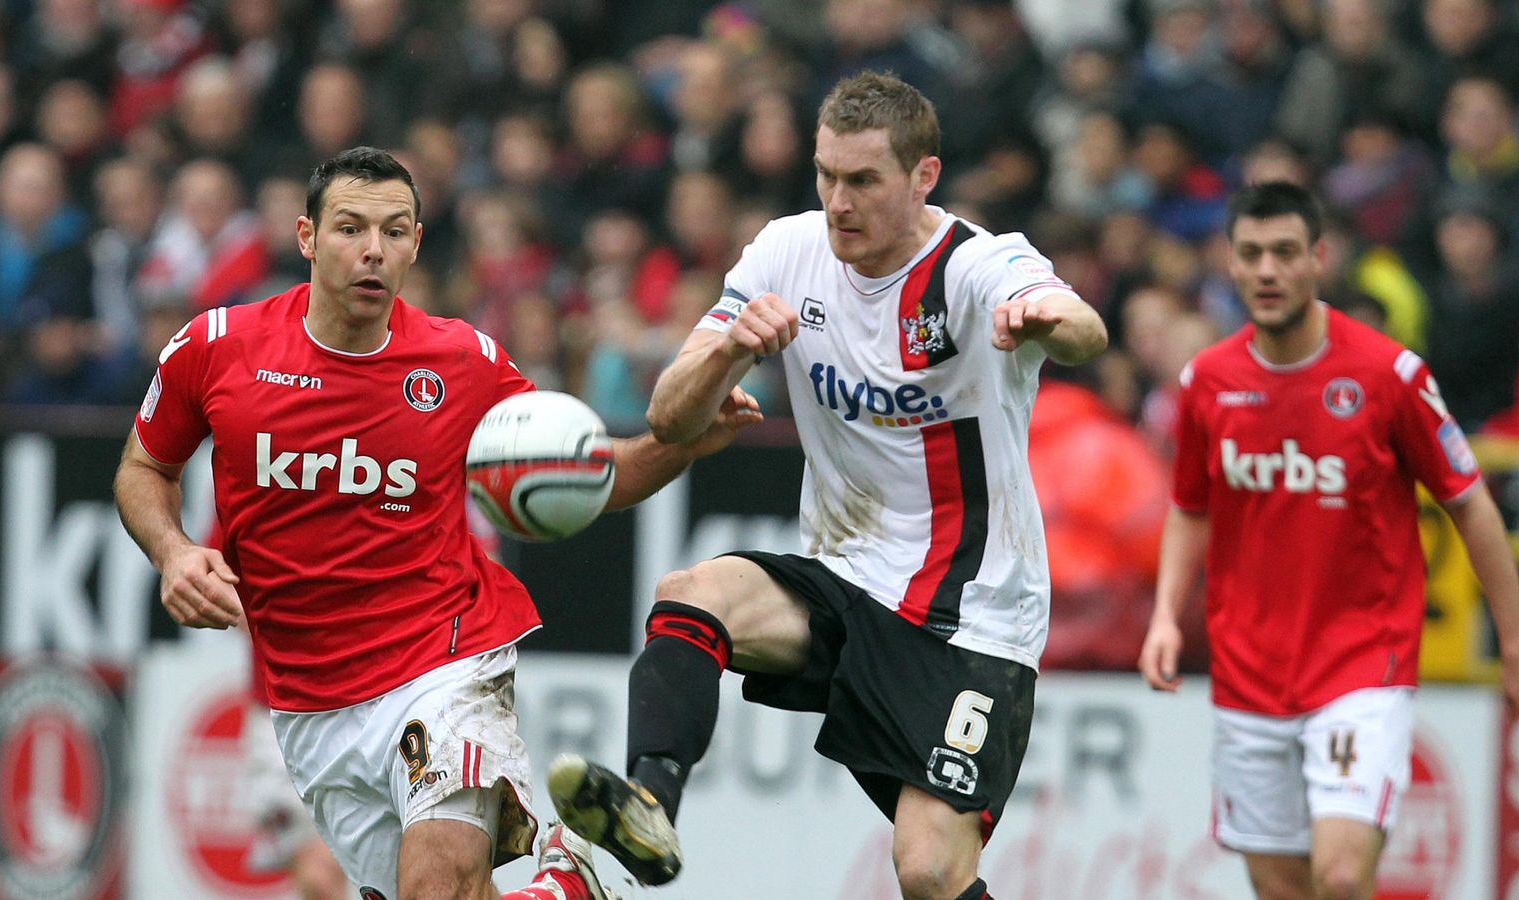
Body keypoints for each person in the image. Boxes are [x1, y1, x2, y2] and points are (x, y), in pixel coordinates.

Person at [113, 146, 761, 900]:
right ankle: (568, 888)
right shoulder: (216, 347)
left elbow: (590, 472)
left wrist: (681, 442)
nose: (373, 250)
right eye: (351, 228)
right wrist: (172, 551)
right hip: (307, 704)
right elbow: (143, 468)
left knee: (439, 880)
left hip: (442, 661)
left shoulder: (461, 361)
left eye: (394, 232)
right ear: (307, 237)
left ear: (417, 243)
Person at [546, 71, 1107, 899]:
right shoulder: (787, 252)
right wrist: (731, 347)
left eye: (864, 181)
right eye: (826, 175)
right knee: (692, 593)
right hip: (846, 576)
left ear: (923, 177)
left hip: (973, 616)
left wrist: (1047, 321)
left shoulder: (978, 265)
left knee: (929, 874)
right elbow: (668, 416)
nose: (839, 202)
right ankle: (649, 805)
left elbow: (1086, 331)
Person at [1138, 181, 1519, 900]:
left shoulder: (1390, 375)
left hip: (1360, 667)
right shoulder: (1207, 382)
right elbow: (1189, 508)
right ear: (1230, 263)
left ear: (1319, 258)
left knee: (1341, 876)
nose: (1268, 270)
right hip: (1248, 672)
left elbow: (1470, 506)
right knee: (1281, 887)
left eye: (1285, 252)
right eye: (1252, 254)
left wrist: (1515, 639)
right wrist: (1164, 614)